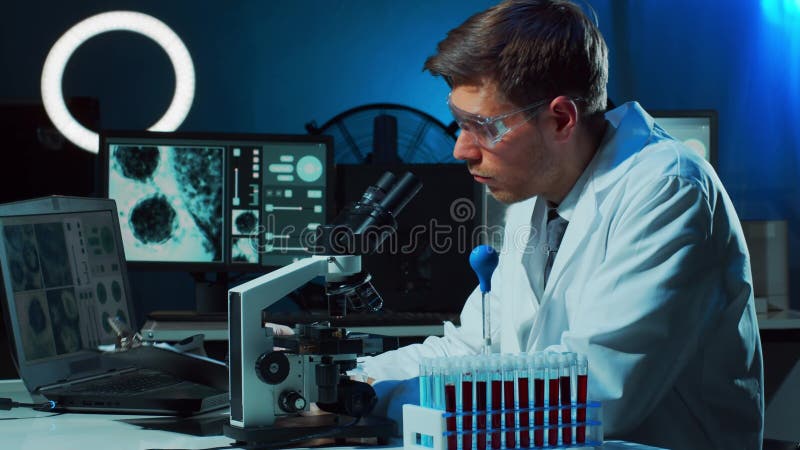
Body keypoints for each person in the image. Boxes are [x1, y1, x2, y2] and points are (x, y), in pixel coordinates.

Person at [355, 1, 765, 449]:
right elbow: (474, 350)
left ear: (561, 119)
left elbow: (599, 394)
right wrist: (354, 379)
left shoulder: (668, 189)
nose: (461, 150)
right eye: (459, 123)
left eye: (482, 127)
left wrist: (377, 400)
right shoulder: (534, 199)